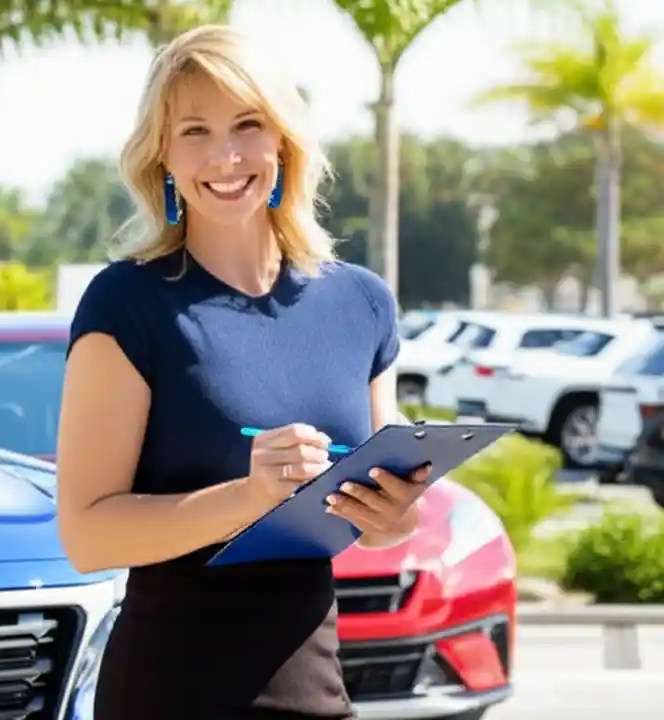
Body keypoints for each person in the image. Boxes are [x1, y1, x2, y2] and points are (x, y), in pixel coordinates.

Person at [56, 25, 431, 720]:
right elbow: (87, 535)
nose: (225, 156)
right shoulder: (130, 303)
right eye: (194, 131)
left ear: (284, 142)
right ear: (161, 155)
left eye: (247, 125)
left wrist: (393, 515)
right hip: (171, 696)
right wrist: (249, 496)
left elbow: (383, 523)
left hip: (315, 693)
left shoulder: (361, 303)